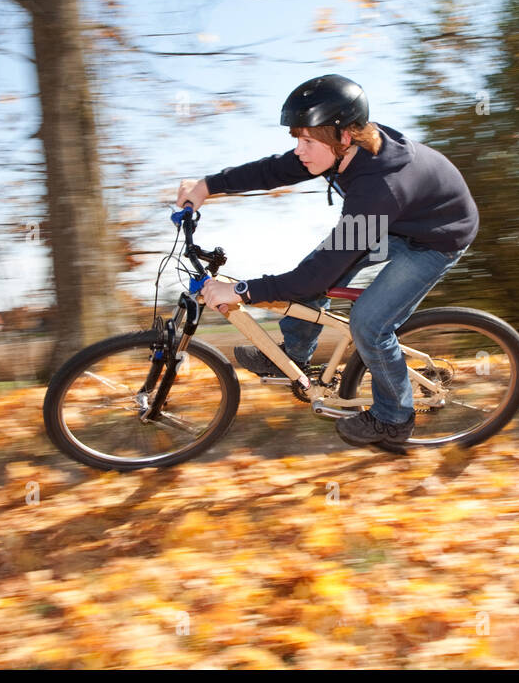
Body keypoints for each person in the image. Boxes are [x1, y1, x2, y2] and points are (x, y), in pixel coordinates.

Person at [175, 73, 479, 449]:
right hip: (395, 221)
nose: (299, 151)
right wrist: (207, 185)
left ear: (345, 136)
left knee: (369, 322)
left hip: (436, 238)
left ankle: (395, 417)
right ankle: (294, 354)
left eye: (307, 141)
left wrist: (240, 290)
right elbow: (273, 170)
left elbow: (314, 278)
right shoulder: (340, 147)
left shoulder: (380, 187)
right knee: (317, 268)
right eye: (297, 139)